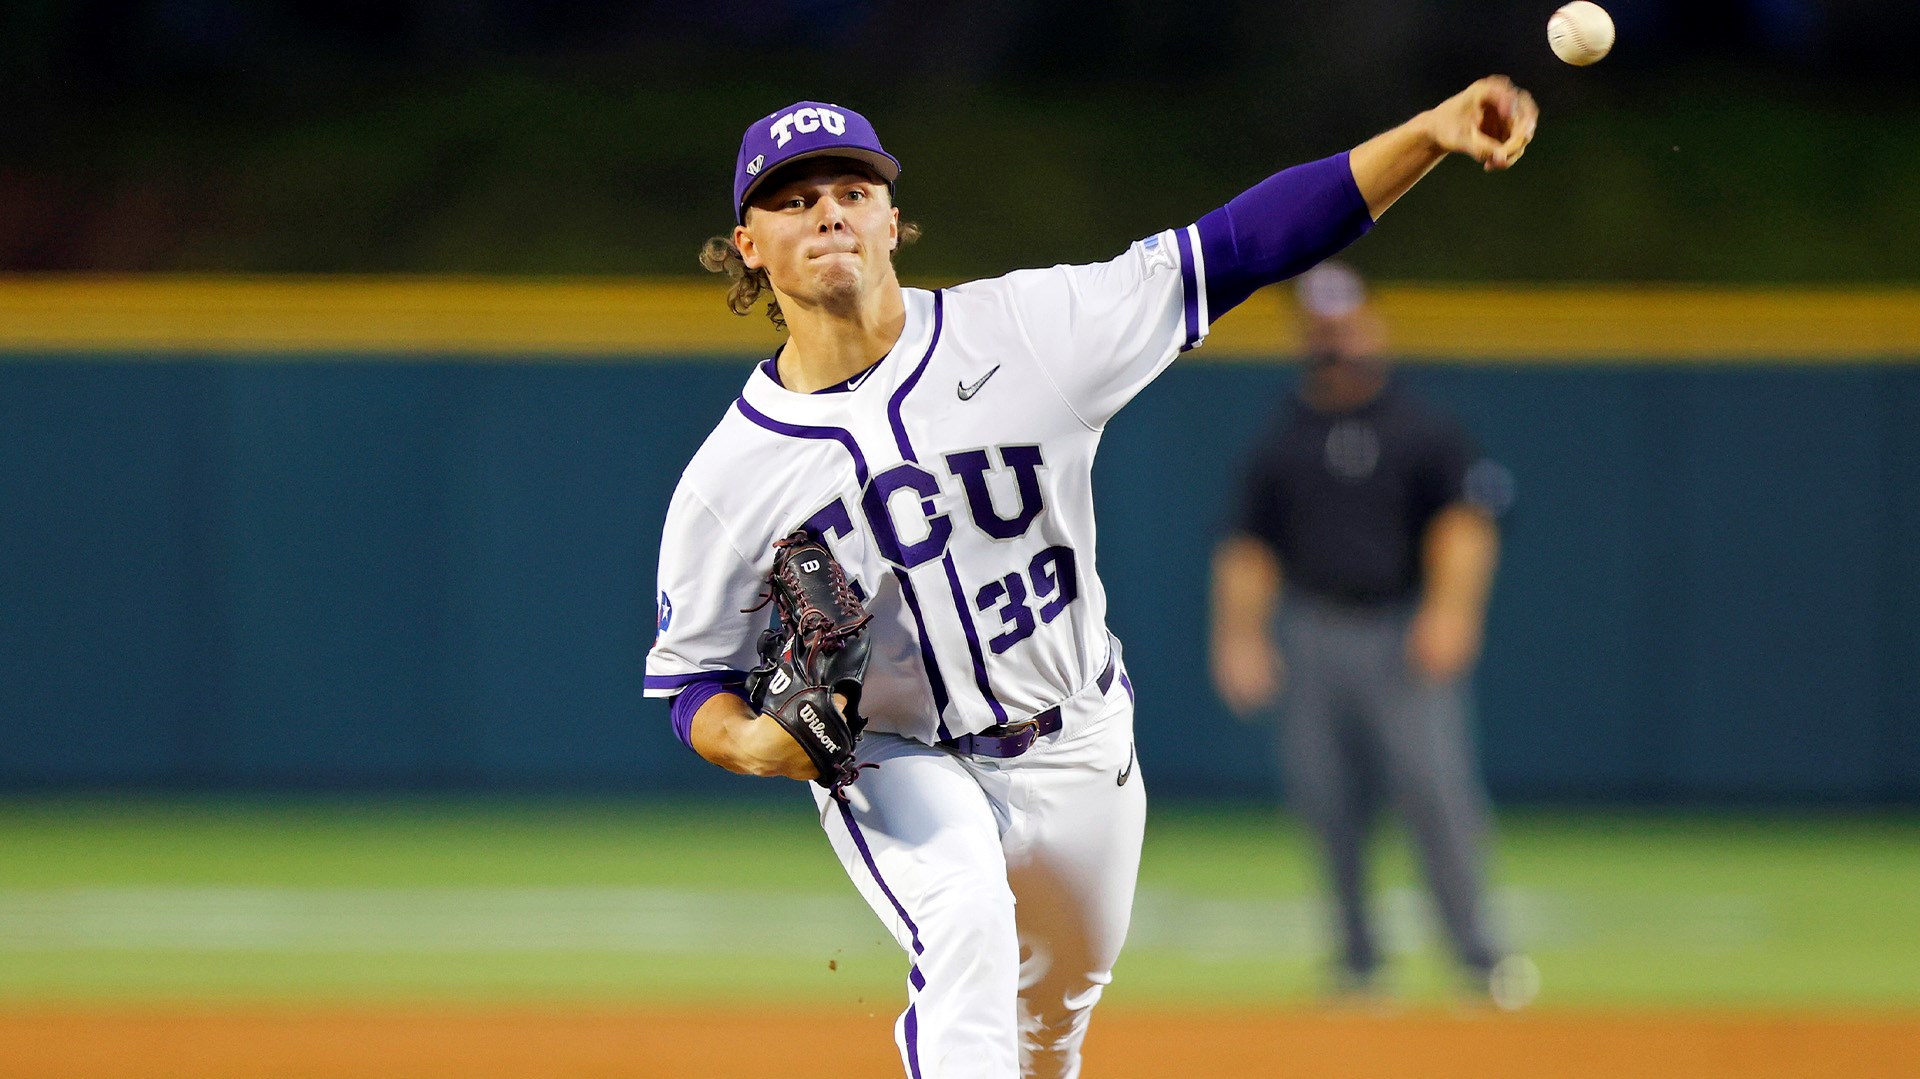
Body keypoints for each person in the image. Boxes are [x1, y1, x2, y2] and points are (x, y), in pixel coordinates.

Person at [647, 82, 1538, 1079]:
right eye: (792, 196)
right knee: (968, 929)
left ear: (892, 218)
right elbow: (692, 683)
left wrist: (1424, 135)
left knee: (1051, 1030)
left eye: (851, 186)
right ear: (749, 247)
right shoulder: (731, 477)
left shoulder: (1029, 331)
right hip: (894, 756)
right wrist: (755, 739)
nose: (827, 209)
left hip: (1078, 739)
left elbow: (1240, 245)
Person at [1208, 261, 1535, 1009]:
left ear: (1372, 325)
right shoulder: (1282, 436)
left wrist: (1453, 610)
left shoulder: (1421, 425)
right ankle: (1358, 962)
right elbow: (1249, 547)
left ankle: (1479, 959)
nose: (1335, 342)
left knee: (1436, 793)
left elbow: (1465, 522)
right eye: (1321, 329)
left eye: (1345, 325)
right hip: (1315, 630)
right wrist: (1241, 637)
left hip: (1398, 630)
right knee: (1328, 800)